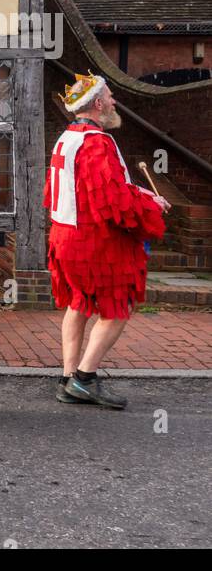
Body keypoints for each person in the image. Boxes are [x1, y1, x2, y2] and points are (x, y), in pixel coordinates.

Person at [46, 73, 168, 409]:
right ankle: (84, 380)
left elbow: (89, 190)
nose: (114, 102)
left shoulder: (67, 137)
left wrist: (139, 192)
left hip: (65, 236)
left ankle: (69, 377)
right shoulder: (98, 142)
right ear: (98, 103)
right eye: (111, 97)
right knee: (118, 307)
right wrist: (151, 205)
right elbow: (113, 204)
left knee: (80, 303)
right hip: (92, 241)